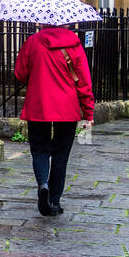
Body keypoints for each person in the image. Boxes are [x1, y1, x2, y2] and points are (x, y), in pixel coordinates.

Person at [13, 24, 95, 216]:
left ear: (42, 22)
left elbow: (20, 73)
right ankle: (54, 201)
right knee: (60, 155)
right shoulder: (74, 44)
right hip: (67, 107)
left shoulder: (32, 42)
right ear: (65, 23)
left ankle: (43, 183)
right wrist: (89, 113)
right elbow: (83, 81)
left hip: (39, 104)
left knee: (39, 149)